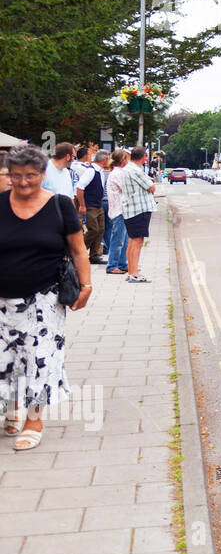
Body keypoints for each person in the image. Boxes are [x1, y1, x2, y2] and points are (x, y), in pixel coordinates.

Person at [0, 144, 90, 451]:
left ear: (42, 173)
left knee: (40, 360)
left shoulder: (60, 206)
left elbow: (78, 250)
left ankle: (33, 421)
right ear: (9, 176)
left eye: (31, 175)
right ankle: (10, 406)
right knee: (5, 360)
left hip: (44, 299)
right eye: (16, 176)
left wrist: (86, 287)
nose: (23, 182)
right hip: (1, 300)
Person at [120, 146, 157, 283]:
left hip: (131, 209)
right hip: (139, 209)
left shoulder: (127, 169)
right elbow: (151, 187)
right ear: (143, 157)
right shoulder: (136, 171)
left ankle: (131, 272)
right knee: (137, 242)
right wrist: (151, 184)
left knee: (132, 241)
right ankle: (134, 274)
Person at [81, 151, 110, 265]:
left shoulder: (100, 172)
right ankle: (79, 252)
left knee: (101, 229)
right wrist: (83, 205)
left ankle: (94, 255)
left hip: (98, 204)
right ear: (104, 160)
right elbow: (80, 187)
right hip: (90, 205)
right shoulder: (91, 171)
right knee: (93, 230)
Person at [104, 149, 130, 274]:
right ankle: (112, 265)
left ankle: (122, 263)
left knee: (124, 241)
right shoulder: (118, 174)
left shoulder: (119, 172)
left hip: (122, 210)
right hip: (119, 210)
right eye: (126, 158)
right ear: (122, 160)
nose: (128, 160)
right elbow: (127, 189)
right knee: (118, 240)